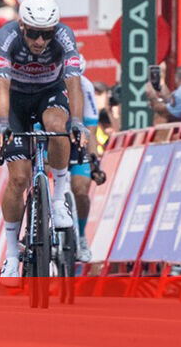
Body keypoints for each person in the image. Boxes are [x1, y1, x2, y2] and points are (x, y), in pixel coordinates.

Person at [0, 0, 86, 287]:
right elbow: (0, 85)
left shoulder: (64, 37)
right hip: (16, 99)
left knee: (58, 125)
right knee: (18, 179)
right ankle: (11, 255)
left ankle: (58, 198)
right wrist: (3, 123)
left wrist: (79, 123)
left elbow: (73, 82)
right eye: (34, 33)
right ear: (22, 26)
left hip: (50, 92)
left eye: (46, 35)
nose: (40, 42)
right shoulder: (6, 37)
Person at [69, 72, 100, 262]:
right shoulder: (45, 77)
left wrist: (94, 162)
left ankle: (80, 237)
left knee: (81, 188)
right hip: (49, 136)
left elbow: (92, 131)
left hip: (76, 140)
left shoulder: (85, 86)